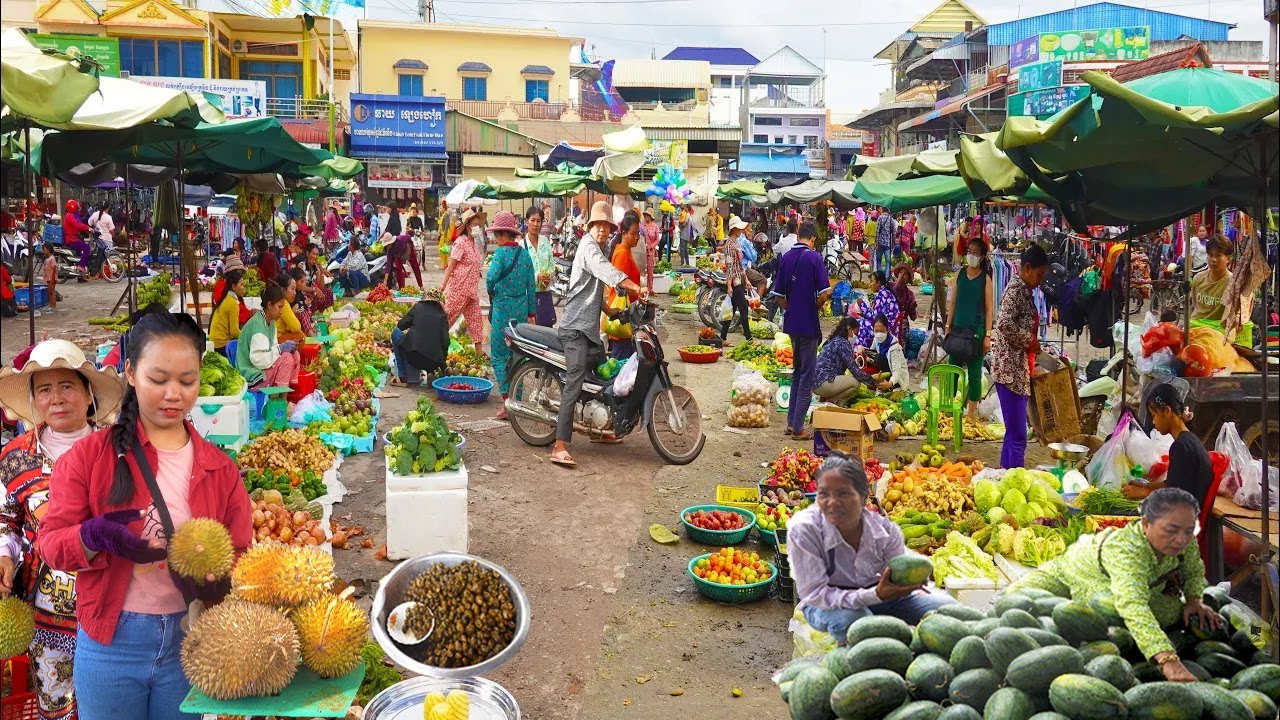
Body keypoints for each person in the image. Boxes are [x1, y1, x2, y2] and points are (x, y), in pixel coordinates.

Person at [38, 312, 251, 719]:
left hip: (189, 642)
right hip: (109, 644)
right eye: (159, 379)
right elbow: (51, 543)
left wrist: (216, 580)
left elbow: (241, 550)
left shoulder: (220, 469)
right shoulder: (88, 458)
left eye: (187, 381)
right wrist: (92, 536)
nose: (174, 394)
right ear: (131, 373)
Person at [0, 340, 124, 720]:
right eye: (44, 389)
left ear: (89, 394)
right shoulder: (15, 456)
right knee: (56, 708)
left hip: (114, 612)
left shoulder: (120, 451)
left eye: (67, 386)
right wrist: (4, 554)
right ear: (35, 399)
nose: (56, 398)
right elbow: (6, 522)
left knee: (110, 708)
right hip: (45, 612)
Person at [1006, 488, 1218, 681]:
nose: (1181, 539)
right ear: (1146, 524)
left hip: (1121, 584)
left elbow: (1193, 568)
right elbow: (1132, 604)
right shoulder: (1126, 550)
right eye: (1171, 530)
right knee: (1012, 602)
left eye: (1188, 530)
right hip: (1077, 570)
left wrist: (1194, 599)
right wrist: (1167, 660)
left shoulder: (1183, 536)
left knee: (1162, 615)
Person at [789, 453, 955, 643]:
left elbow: (896, 573)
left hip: (879, 596)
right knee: (854, 621)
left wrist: (908, 583)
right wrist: (875, 594)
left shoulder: (886, 531)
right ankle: (853, 654)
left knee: (947, 608)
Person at [550, 201, 644, 468]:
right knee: (576, 381)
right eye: (598, 225)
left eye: (606, 226)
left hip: (589, 329)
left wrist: (612, 311)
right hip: (574, 329)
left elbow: (590, 291)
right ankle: (559, 445)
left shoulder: (600, 247)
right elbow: (606, 272)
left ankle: (598, 429)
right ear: (591, 226)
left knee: (604, 374)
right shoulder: (589, 247)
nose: (602, 230)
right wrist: (634, 285)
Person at [991, 244, 1049, 470]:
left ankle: (1007, 476)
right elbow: (1003, 323)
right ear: (1026, 267)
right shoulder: (1016, 289)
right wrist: (1029, 340)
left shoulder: (1024, 290)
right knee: (1018, 437)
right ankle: (1015, 477)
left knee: (1013, 434)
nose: (1040, 280)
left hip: (1016, 367)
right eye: (1039, 274)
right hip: (1010, 370)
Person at [772, 222, 831, 440]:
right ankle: (798, 428)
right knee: (807, 376)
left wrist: (792, 309)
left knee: (797, 372)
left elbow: (778, 295)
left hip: (792, 325)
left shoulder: (786, 257)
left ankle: (791, 422)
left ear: (799, 237)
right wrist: (812, 308)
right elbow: (825, 294)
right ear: (813, 238)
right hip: (808, 325)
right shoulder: (814, 258)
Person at [1127, 384, 1214, 507]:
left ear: (1167, 411)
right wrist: (1146, 485)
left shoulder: (1181, 446)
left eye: (1154, 415)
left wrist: (1144, 493)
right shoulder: (1188, 440)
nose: (1153, 422)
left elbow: (1176, 495)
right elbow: (1173, 484)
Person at [485, 212, 536, 418]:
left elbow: (490, 278)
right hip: (521, 312)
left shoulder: (499, 255)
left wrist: (491, 290)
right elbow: (531, 286)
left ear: (501, 234)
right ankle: (517, 398)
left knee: (498, 355)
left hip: (502, 311)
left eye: (496, 234)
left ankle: (507, 401)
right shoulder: (524, 255)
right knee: (517, 355)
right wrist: (532, 313)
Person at [945, 237, 995, 418]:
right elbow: (952, 303)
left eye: (975, 252)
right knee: (952, 371)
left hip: (977, 332)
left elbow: (990, 309)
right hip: (957, 330)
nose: (971, 255)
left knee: (975, 374)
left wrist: (988, 335)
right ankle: (949, 410)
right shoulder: (959, 275)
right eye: (970, 251)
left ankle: (971, 415)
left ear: (982, 257)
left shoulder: (986, 279)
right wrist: (948, 325)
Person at [236, 285, 301, 389]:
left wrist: (285, 349)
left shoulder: (271, 323)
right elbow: (258, 360)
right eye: (279, 307)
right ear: (270, 305)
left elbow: (273, 349)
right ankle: (280, 400)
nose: (281, 311)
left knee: (294, 354)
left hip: (262, 368)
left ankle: (285, 395)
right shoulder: (257, 324)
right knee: (287, 358)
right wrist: (281, 349)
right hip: (251, 375)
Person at [441, 208, 487, 348]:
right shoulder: (461, 242)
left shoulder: (474, 244)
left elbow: (476, 263)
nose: (477, 228)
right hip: (458, 290)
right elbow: (451, 264)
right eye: (474, 225)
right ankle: (433, 345)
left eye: (479, 225)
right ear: (467, 226)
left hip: (471, 291)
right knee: (447, 320)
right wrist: (443, 284)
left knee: (476, 321)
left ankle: (479, 352)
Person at [391, 289, 450, 388]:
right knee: (430, 344)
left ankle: (402, 378)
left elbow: (401, 325)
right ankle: (430, 372)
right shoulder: (442, 315)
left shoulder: (418, 307)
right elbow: (446, 342)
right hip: (433, 363)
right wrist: (442, 364)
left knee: (395, 333)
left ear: (426, 298)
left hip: (413, 356)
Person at [815, 317, 880, 404]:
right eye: (855, 333)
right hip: (823, 383)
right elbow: (855, 371)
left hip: (815, 382)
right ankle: (832, 402)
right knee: (855, 384)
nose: (856, 337)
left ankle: (824, 399)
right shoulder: (843, 344)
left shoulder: (833, 340)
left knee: (841, 377)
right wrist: (872, 382)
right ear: (849, 329)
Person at [605, 214, 644, 360]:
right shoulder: (621, 253)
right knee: (622, 366)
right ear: (623, 233)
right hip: (622, 315)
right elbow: (618, 286)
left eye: (638, 233)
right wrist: (637, 290)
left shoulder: (625, 250)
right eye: (633, 233)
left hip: (627, 315)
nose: (637, 237)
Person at [521, 206, 556, 327]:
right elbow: (520, 274)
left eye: (539, 221)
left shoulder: (545, 242)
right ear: (526, 222)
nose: (536, 224)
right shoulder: (521, 246)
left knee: (546, 333)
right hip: (529, 298)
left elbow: (552, 265)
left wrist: (548, 276)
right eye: (533, 220)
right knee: (533, 334)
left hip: (545, 295)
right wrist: (537, 277)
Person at [719, 216, 753, 344]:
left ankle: (722, 338)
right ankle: (749, 339)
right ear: (734, 229)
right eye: (739, 228)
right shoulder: (729, 245)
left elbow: (739, 265)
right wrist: (729, 286)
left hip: (739, 279)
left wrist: (747, 279)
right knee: (743, 308)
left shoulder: (736, 243)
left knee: (731, 310)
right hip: (734, 282)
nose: (741, 230)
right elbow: (729, 267)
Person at [1189, 234, 1234, 323]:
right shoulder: (1198, 278)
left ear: (1228, 259)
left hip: (1217, 332)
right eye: (1210, 255)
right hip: (1195, 328)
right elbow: (1194, 305)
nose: (1213, 259)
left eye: (1218, 255)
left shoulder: (1232, 283)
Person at [855, 271, 901, 350]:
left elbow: (875, 318)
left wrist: (862, 305)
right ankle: (866, 348)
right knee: (861, 321)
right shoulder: (886, 292)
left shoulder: (882, 295)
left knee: (862, 324)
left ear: (878, 283)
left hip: (888, 328)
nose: (870, 284)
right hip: (891, 326)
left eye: (872, 281)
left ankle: (859, 350)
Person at [867, 315, 910, 392]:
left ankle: (889, 386)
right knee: (877, 358)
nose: (879, 333)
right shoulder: (876, 339)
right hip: (885, 371)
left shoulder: (895, 347)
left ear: (887, 330)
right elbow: (871, 352)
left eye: (882, 331)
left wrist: (889, 384)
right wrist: (862, 349)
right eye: (876, 331)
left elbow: (897, 371)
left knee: (879, 358)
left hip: (898, 379)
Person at [208, 269, 245, 357]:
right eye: (242, 284)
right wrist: (247, 337)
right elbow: (234, 331)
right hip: (221, 345)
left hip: (215, 342)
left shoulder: (226, 297)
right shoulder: (232, 303)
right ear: (234, 286)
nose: (244, 287)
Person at [292, 243, 333, 314]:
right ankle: (311, 313)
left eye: (317, 254)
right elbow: (301, 287)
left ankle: (321, 313)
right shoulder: (301, 266)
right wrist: (315, 289)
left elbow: (321, 287)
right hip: (302, 295)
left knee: (328, 292)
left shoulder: (316, 268)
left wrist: (321, 271)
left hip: (311, 294)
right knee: (309, 296)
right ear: (308, 254)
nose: (315, 256)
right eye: (313, 254)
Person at [62, 200, 93, 276]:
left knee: (80, 256)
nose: (77, 208)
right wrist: (88, 228)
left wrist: (88, 230)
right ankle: (81, 266)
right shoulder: (69, 216)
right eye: (76, 207)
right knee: (86, 248)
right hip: (71, 239)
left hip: (74, 238)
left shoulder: (72, 215)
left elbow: (79, 224)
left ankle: (80, 276)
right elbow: (77, 225)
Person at [273, 274, 307, 343]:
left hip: (274, 337)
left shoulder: (276, 300)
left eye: (295, 289)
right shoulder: (284, 303)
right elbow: (296, 327)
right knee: (300, 336)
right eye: (292, 289)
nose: (295, 293)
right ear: (283, 290)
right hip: (276, 339)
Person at [642, 208, 660, 290]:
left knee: (650, 269)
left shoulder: (655, 227)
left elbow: (657, 239)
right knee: (641, 269)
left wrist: (651, 246)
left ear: (650, 216)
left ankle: (650, 288)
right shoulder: (642, 226)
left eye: (647, 215)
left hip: (651, 251)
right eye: (645, 215)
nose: (646, 217)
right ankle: (641, 288)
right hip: (642, 250)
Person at [874, 210, 897, 274]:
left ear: (883, 210)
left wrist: (876, 241)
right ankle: (886, 277)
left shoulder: (880, 218)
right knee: (888, 261)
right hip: (888, 244)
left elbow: (877, 231)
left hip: (880, 243)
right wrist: (893, 242)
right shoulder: (891, 219)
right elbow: (894, 232)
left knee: (879, 260)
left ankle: (879, 276)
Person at [42, 242, 58, 313]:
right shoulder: (48, 258)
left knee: (52, 292)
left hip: (51, 278)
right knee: (49, 292)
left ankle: (53, 307)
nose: (43, 251)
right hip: (48, 278)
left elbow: (54, 269)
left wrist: (52, 278)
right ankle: (50, 306)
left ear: (48, 249)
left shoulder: (52, 258)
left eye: (44, 249)